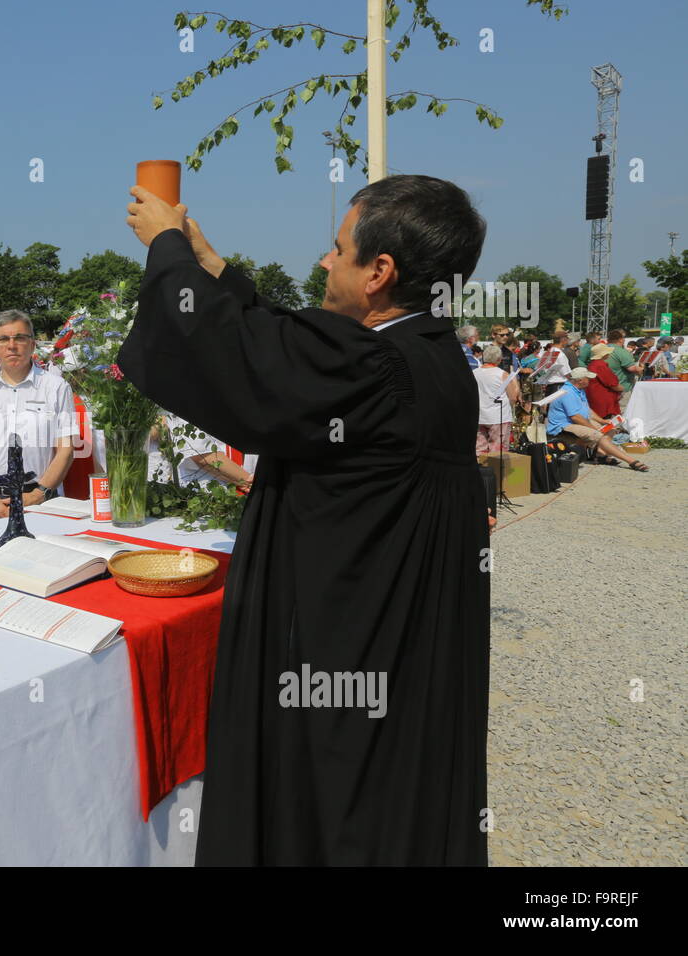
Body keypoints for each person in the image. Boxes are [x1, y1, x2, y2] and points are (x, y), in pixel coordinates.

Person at [122, 173, 492, 865]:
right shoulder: (431, 356)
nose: (324, 262)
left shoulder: (380, 368)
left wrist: (166, 250)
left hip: (340, 662)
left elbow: (252, 366)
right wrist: (214, 268)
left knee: (332, 820)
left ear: (380, 271)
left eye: (337, 248)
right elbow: (290, 355)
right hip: (400, 654)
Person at [0, 311, 76, 522]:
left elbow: (65, 449)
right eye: (3, 339)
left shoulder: (57, 388)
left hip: (41, 501)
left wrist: (37, 495)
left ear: (32, 345)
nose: (12, 345)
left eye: (20, 338)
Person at [546, 367, 648, 471]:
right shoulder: (567, 392)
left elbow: (587, 410)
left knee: (610, 428)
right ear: (580, 380)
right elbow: (575, 417)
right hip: (563, 425)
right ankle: (631, 461)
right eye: (588, 378)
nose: (590, 380)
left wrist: (602, 421)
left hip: (574, 421)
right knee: (598, 435)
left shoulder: (578, 389)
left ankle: (600, 454)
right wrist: (593, 429)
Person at [472, 344, 519, 456]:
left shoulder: (474, 373)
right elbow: (512, 397)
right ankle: (495, 473)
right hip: (499, 417)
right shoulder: (502, 374)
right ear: (499, 359)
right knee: (498, 452)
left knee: (479, 449)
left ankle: (481, 472)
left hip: (479, 416)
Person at [604, 329, 643, 410]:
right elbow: (631, 368)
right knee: (622, 411)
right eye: (624, 338)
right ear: (620, 339)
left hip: (605, 387)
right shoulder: (621, 351)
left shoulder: (603, 349)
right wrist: (641, 368)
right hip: (621, 387)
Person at [585, 344, 623, 419]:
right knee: (607, 421)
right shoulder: (600, 365)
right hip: (603, 400)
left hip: (595, 398)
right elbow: (612, 383)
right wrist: (622, 389)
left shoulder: (593, 364)